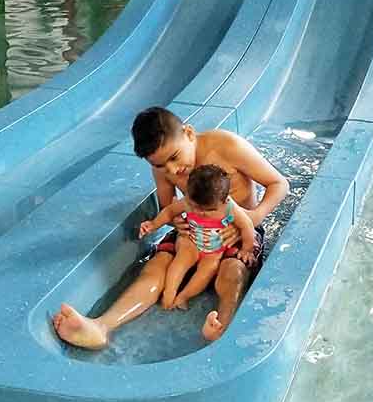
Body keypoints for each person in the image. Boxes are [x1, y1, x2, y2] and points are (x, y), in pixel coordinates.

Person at [52, 107, 289, 348]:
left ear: (188, 133)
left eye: (174, 157)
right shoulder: (162, 166)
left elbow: (279, 183)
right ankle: (101, 327)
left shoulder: (226, 146)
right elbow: (168, 206)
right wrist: (177, 224)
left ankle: (222, 327)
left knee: (233, 270)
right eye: (161, 166)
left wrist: (252, 218)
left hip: (235, 232)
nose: (172, 170)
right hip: (193, 231)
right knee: (156, 267)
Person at [138, 164, 256, 312]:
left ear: (225, 200)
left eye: (209, 210)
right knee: (180, 261)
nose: (200, 212)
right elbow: (169, 212)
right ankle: (169, 292)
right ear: (187, 195)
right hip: (190, 241)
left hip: (214, 250)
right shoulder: (187, 202)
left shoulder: (229, 208)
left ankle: (184, 296)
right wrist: (153, 224)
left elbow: (247, 226)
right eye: (195, 207)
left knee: (207, 271)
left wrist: (247, 249)